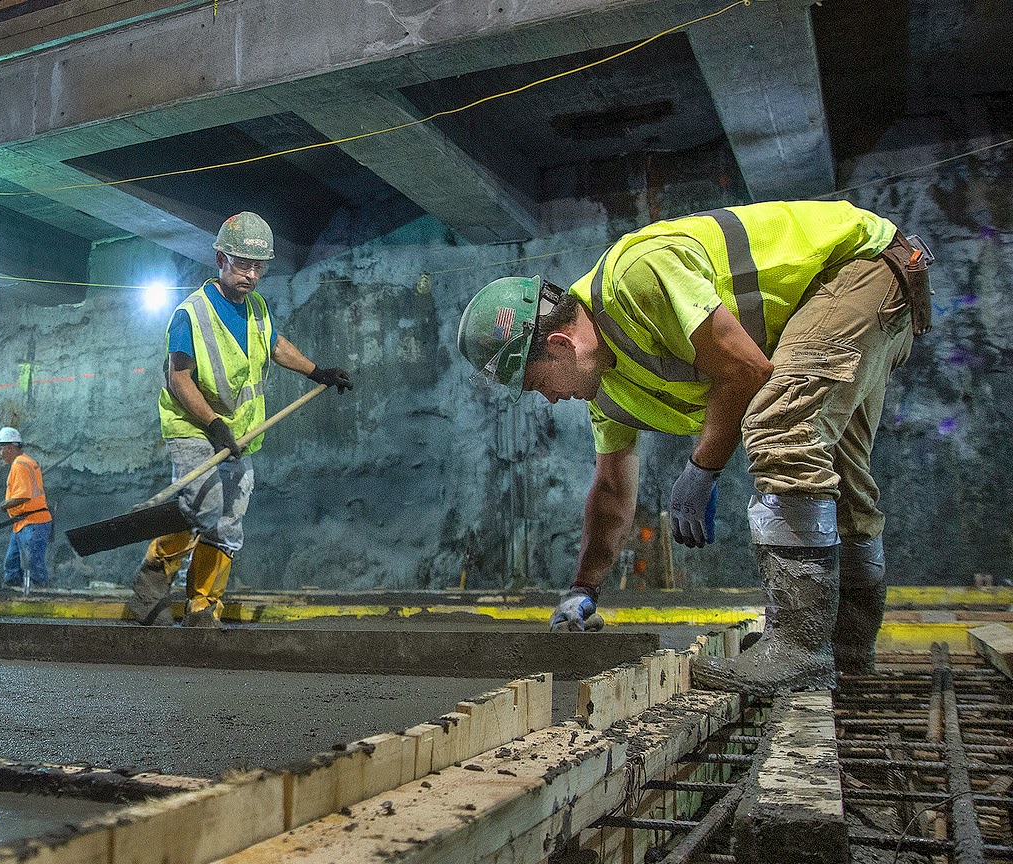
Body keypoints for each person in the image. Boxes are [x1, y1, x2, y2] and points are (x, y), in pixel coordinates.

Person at [457, 200, 930, 695]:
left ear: (559, 345)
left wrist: (702, 469)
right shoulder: (608, 392)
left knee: (779, 426)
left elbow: (747, 370)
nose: (550, 399)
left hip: (861, 268)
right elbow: (613, 486)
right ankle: (846, 650)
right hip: (861, 299)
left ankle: (798, 650)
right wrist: (583, 588)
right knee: (834, 467)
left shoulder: (633, 279)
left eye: (539, 385)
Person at [126, 211, 355, 628]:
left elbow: (275, 344)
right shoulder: (190, 314)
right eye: (242, 264)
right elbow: (179, 379)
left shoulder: (257, 308)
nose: (251, 274)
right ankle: (151, 587)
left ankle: (201, 609)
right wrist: (213, 424)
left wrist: (316, 371)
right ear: (220, 259)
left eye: (258, 265)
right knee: (203, 504)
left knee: (229, 518)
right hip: (195, 427)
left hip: (239, 433)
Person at [0, 426, 51, 592]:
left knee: (33, 564)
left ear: (9, 447)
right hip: (23, 523)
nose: (0, 453)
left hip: (32, 522)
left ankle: (41, 597)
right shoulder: (24, 462)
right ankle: (10, 594)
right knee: (12, 563)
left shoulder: (20, 464)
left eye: (0, 448)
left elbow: (24, 495)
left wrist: (2, 506)